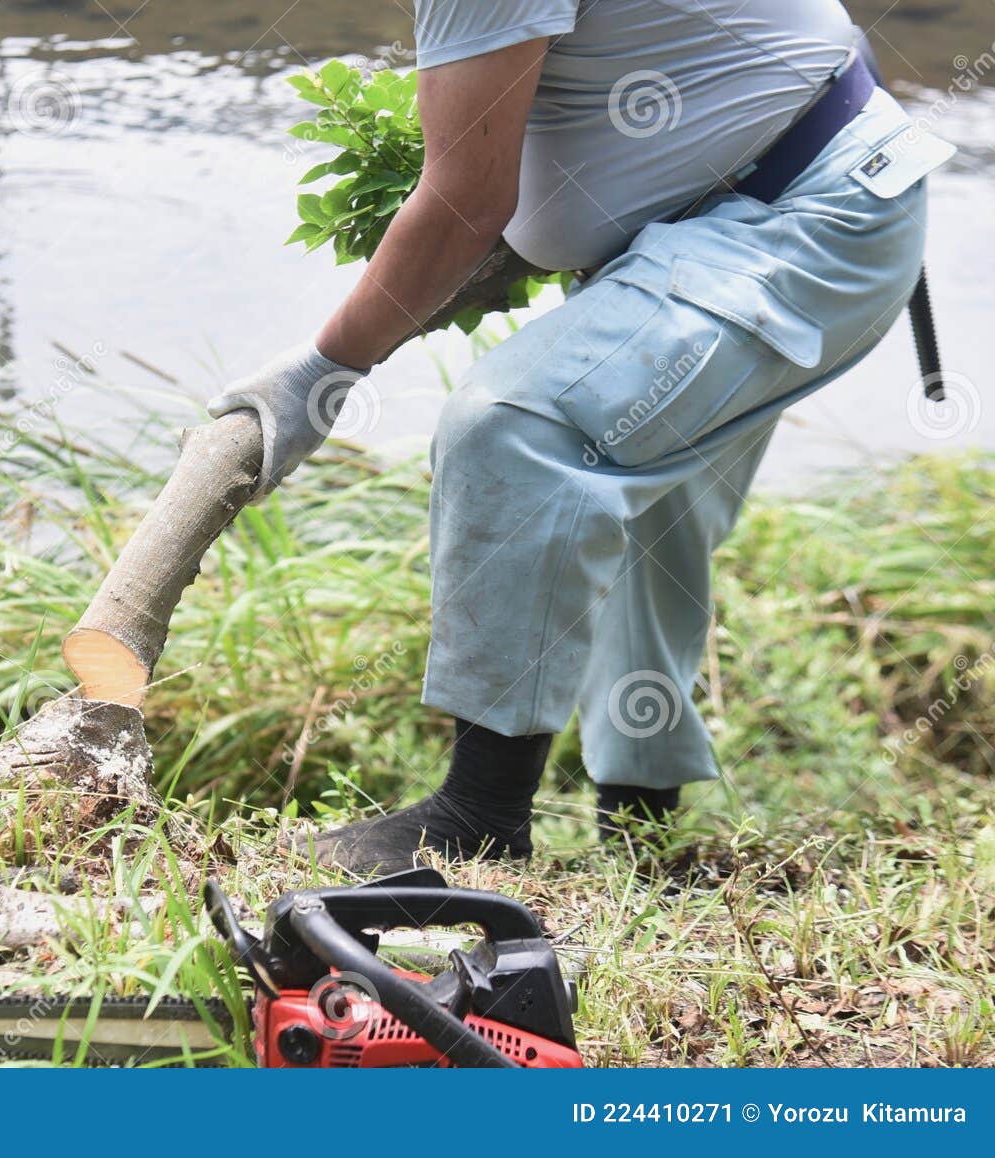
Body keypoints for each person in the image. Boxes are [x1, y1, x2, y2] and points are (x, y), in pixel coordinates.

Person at [209, 0, 953, 873]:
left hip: (796, 215)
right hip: (770, 196)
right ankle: (642, 836)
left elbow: (462, 202)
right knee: (645, 505)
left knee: (518, 427)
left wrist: (319, 375)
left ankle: (477, 816)